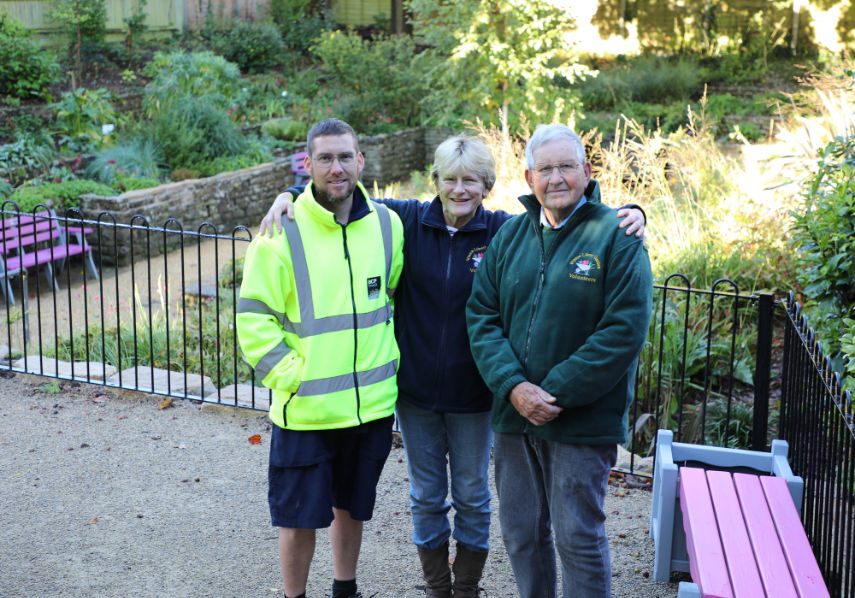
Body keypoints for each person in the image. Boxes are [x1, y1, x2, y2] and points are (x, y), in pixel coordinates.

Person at [260, 135, 646, 597]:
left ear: (488, 185)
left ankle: (466, 588)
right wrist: (288, 197)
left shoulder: (504, 230)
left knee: (496, 505)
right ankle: (437, 588)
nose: (459, 190)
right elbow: (343, 195)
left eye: (471, 181)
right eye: (449, 180)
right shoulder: (405, 222)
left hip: (480, 397)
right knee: (440, 502)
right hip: (425, 394)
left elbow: (610, 307)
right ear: (436, 182)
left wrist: (637, 211)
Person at [465, 123, 654, 598]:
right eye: (545, 169)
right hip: (513, 417)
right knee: (522, 536)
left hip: (580, 421)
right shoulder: (509, 237)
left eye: (566, 167)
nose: (556, 178)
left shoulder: (618, 236)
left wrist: (553, 393)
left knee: (578, 539)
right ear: (529, 177)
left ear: (587, 172)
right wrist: (514, 387)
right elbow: (481, 315)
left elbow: (623, 330)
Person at [236, 118, 405, 598]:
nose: (337, 168)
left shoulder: (390, 226)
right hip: (306, 410)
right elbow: (252, 321)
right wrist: (295, 377)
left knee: (351, 510)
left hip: (368, 407)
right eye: (325, 159)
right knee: (298, 520)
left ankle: (344, 590)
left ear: (361, 162)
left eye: (345, 157)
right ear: (308, 164)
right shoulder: (278, 232)